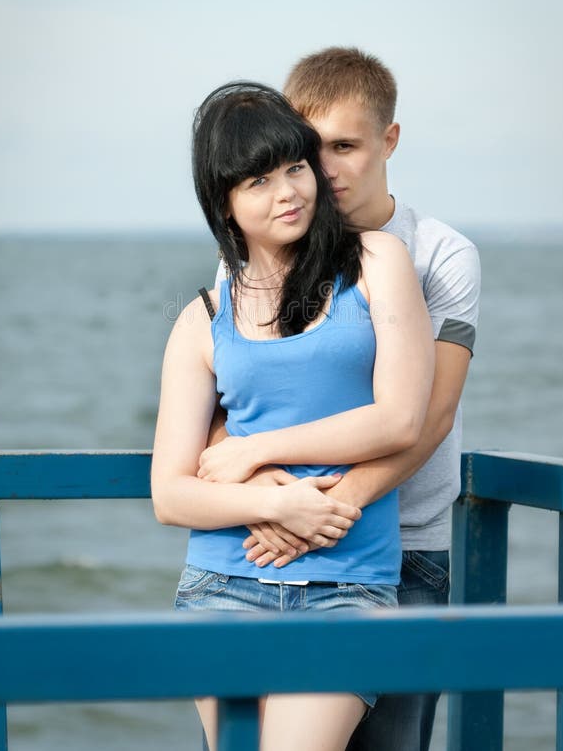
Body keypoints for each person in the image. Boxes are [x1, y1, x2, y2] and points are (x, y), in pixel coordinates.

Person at [151, 81, 435, 751]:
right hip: (223, 584)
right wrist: (277, 507)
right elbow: (171, 493)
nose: (289, 193)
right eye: (258, 181)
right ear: (222, 202)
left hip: (347, 587)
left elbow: (400, 419)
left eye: (295, 168)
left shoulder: (375, 262)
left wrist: (254, 453)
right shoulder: (205, 317)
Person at [214, 48, 480, 751]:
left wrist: (328, 510)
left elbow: (428, 417)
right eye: (309, 148)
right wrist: (272, 498)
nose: (324, 168)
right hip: (270, 542)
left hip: (406, 547)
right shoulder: (258, 249)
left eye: (345, 146)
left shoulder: (438, 253)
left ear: (389, 141)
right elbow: (230, 397)